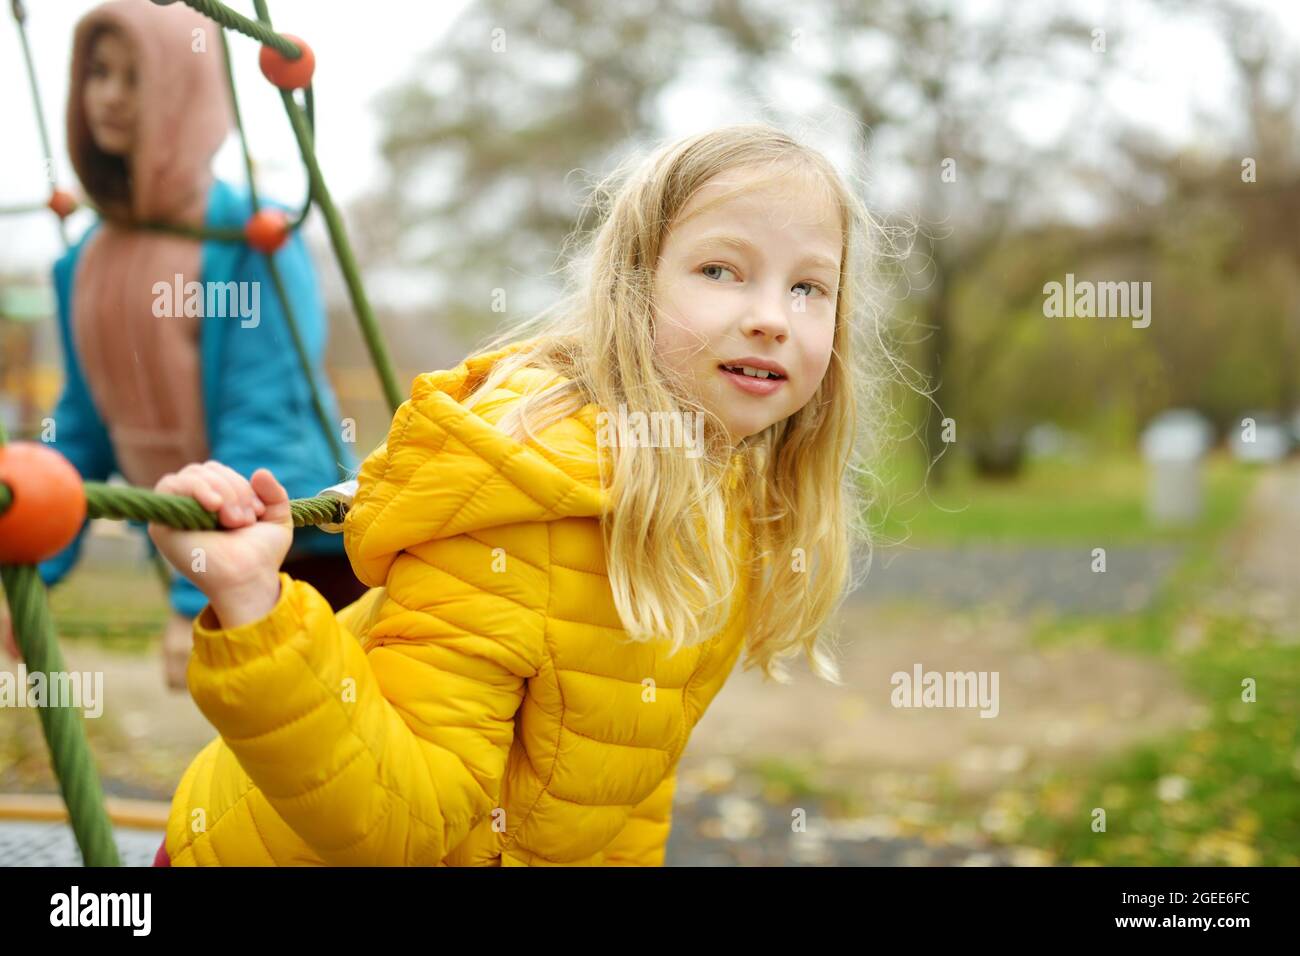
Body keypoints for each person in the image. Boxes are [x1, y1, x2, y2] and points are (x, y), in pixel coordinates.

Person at [146, 122, 885, 866]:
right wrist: (252, 606)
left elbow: (613, 785)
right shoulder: (526, 504)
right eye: (721, 270)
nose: (770, 317)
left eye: (807, 287)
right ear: (635, 289)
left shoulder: (726, 502)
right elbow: (402, 821)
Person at [5, 0, 367, 685]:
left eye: (135, 76)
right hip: (200, 549)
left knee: (317, 746)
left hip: (307, 550)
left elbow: (266, 425)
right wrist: (31, 570)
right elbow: (81, 432)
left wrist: (197, 590)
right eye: (98, 73)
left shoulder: (247, 239)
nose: (109, 96)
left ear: (185, 88)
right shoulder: (83, 262)